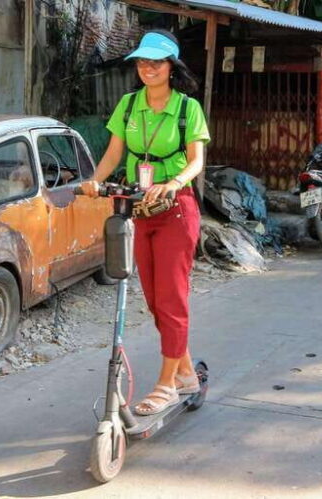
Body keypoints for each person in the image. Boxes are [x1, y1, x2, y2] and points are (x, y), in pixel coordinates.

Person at [80, 29, 210, 416]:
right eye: (142, 61)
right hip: (139, 208)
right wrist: (94, 182)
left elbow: (196, 161)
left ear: (171, 66)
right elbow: (113, 153)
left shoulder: (188, 109)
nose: (147, 68)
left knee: (172, 299)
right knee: (155, 303)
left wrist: (173, 183)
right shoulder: (129, 104)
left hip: (176, 209)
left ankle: (167, 384)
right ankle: (185, 372)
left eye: (156, 61)